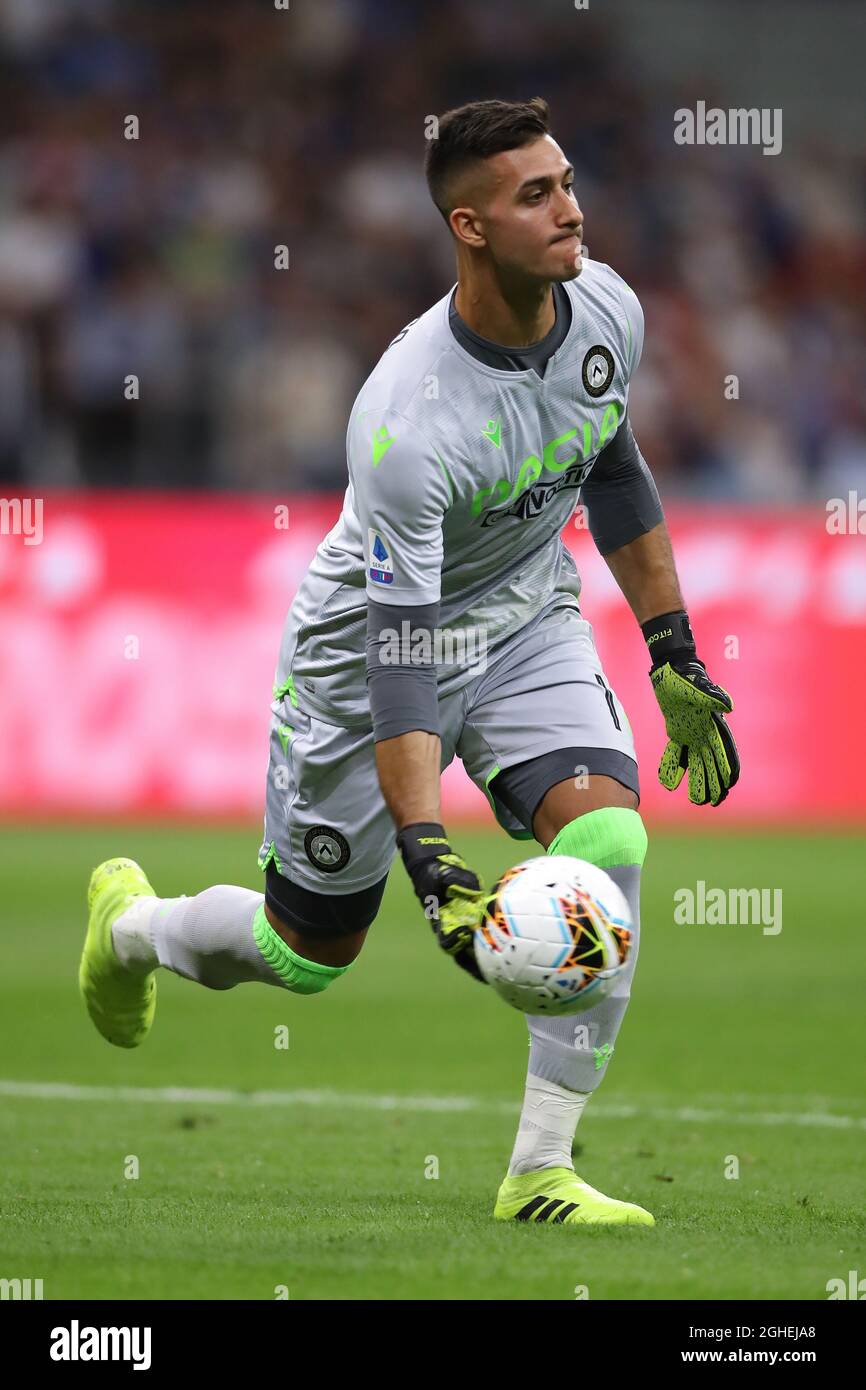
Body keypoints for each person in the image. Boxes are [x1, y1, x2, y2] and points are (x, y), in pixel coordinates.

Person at [80, 96, 738, 1229]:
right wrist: (427, 851)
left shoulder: (607, 309)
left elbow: (612, 464)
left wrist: (669, 647)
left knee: (608, 837)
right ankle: (134, 926)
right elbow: (399, 652)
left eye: (567, 182)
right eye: (536, 196)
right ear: (470, 227)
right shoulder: (406, 421)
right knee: (308, 952)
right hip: (370, 660)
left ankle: (540, 1169)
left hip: (527, 616)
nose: (569, 210)